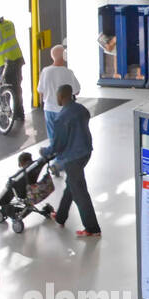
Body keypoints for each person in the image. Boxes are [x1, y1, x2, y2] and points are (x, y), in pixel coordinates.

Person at [43, 85, 100, 238]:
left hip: (72, 158)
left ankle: (92, 228)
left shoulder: (61, 118)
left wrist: (45, 152)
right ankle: (61, 216)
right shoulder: (81, 109)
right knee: (72, 185)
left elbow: (57, 145)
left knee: (80, 192)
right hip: (86, 152)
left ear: (61, 96)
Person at [37, 43, 79, 138]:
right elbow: (76, 91)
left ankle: (54, 151)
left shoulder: (45, 71)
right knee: (66, 136)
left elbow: (40, 90)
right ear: (64, 56)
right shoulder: (68, 72)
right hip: (64, 110)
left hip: (48, 109)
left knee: (53, 137)